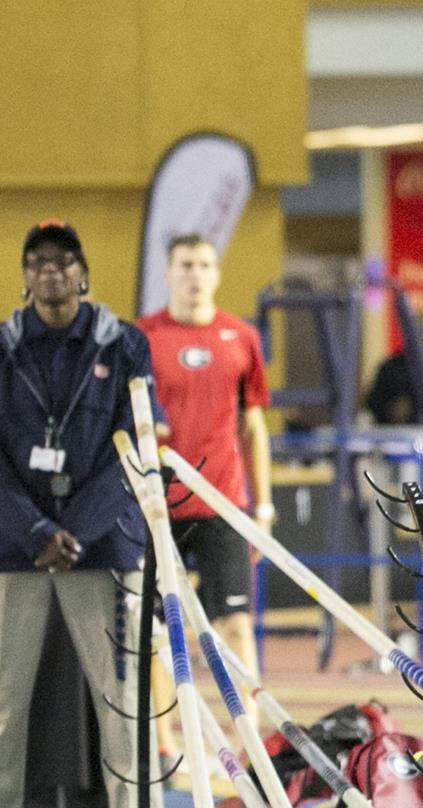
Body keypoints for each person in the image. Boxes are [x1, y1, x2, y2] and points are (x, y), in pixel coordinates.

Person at [0, 219, 169, 808]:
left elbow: (137, 442)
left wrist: (76, 528)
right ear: (25, 277)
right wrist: (37, 531)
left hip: (103, 548)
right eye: (38, 261)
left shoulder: (125, 345)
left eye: (64, 261)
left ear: (84, 275)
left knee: (125, 704)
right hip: (10, 551)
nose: (51, 271)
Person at [137, 233, 272, 690]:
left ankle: (248, 725)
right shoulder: (141, 338)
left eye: (204, 265)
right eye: (186, 265)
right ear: (168, 274)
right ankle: (162, 732)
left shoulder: (242, 338)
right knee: (156, 634)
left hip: (222, 504)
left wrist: (264, 507)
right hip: (157, 506)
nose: (195, 275)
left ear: (217, 274)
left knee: (236, 625)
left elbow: (253, 428)